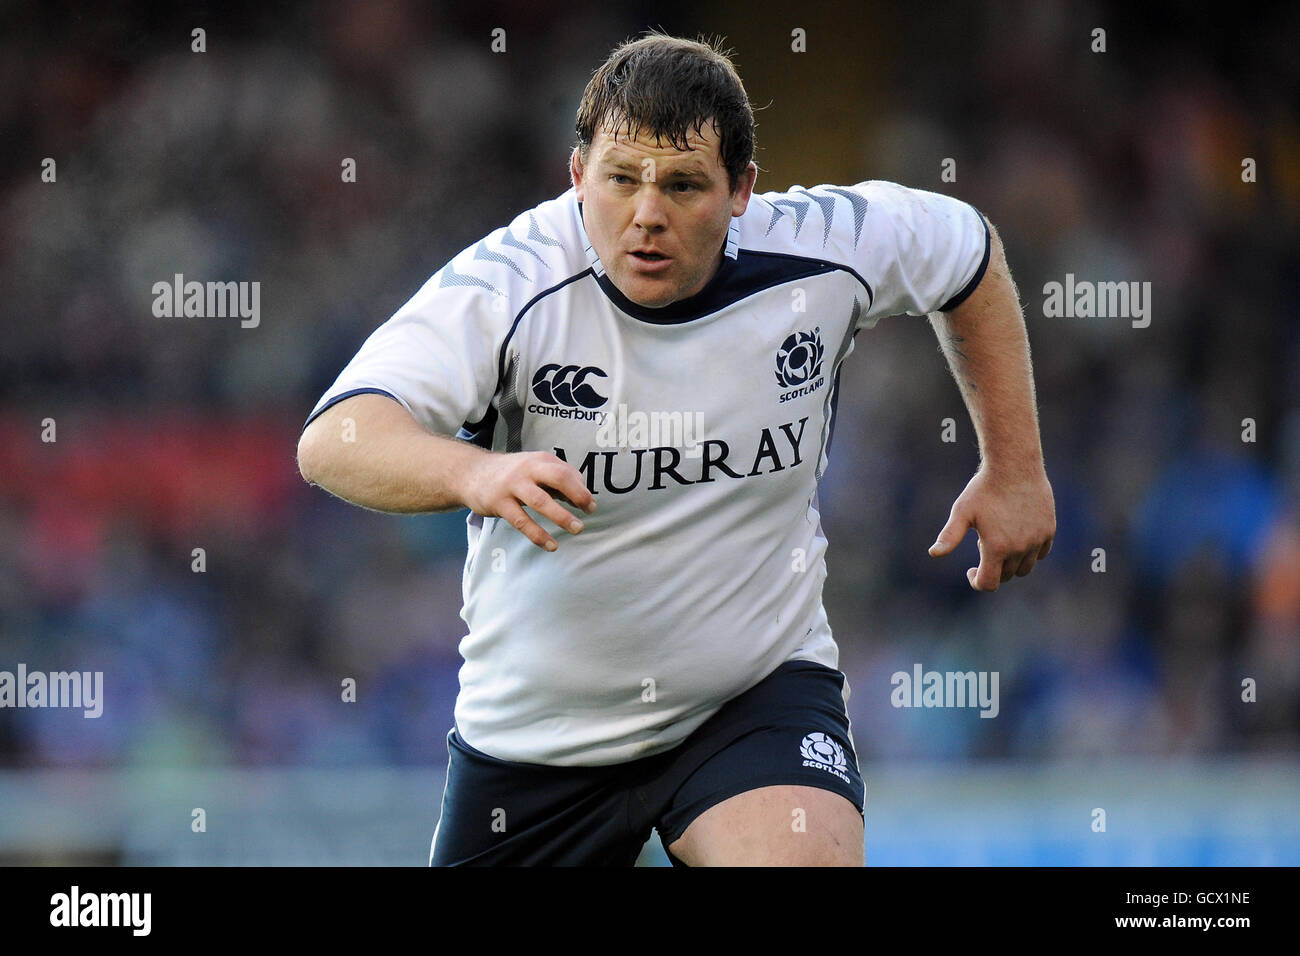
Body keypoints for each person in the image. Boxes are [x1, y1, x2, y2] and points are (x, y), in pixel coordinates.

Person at [296, 31, 1055, 866]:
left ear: (742, 192)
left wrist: (1014, 468)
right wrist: (475, 470)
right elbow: (337, 437)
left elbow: (968, 253)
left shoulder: (821, 249)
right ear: (577, 174)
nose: (647, 213)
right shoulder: (510, 285)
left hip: (750, 694)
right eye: (621, 179)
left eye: (685, 184)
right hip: (538, 737)